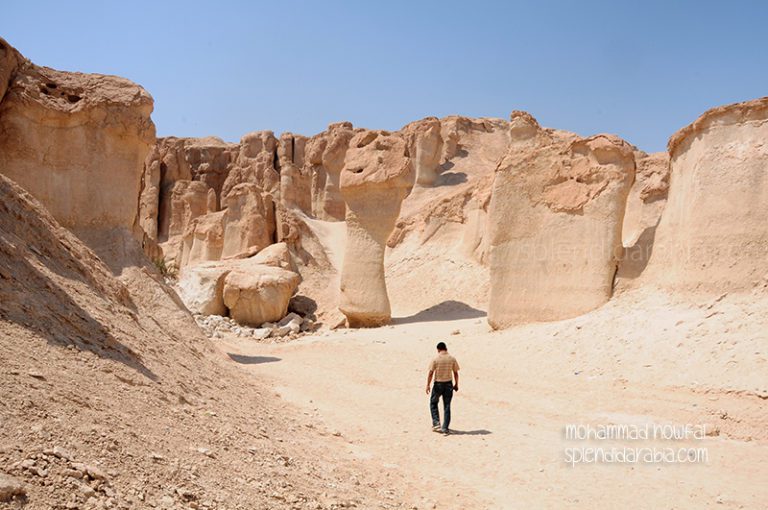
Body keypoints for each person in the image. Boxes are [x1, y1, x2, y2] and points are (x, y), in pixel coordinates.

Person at [425, 341, 460, 435]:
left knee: (433, 403)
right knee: (447, 405)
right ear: (446, 348)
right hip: (448, 384)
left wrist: (428, 385)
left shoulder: (435, 359)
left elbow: (431, 373)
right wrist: (456, 384)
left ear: (438, 349)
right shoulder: (452, 358)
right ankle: (445, 428)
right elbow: (456, 373)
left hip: (438, 384)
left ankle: (436, 423)